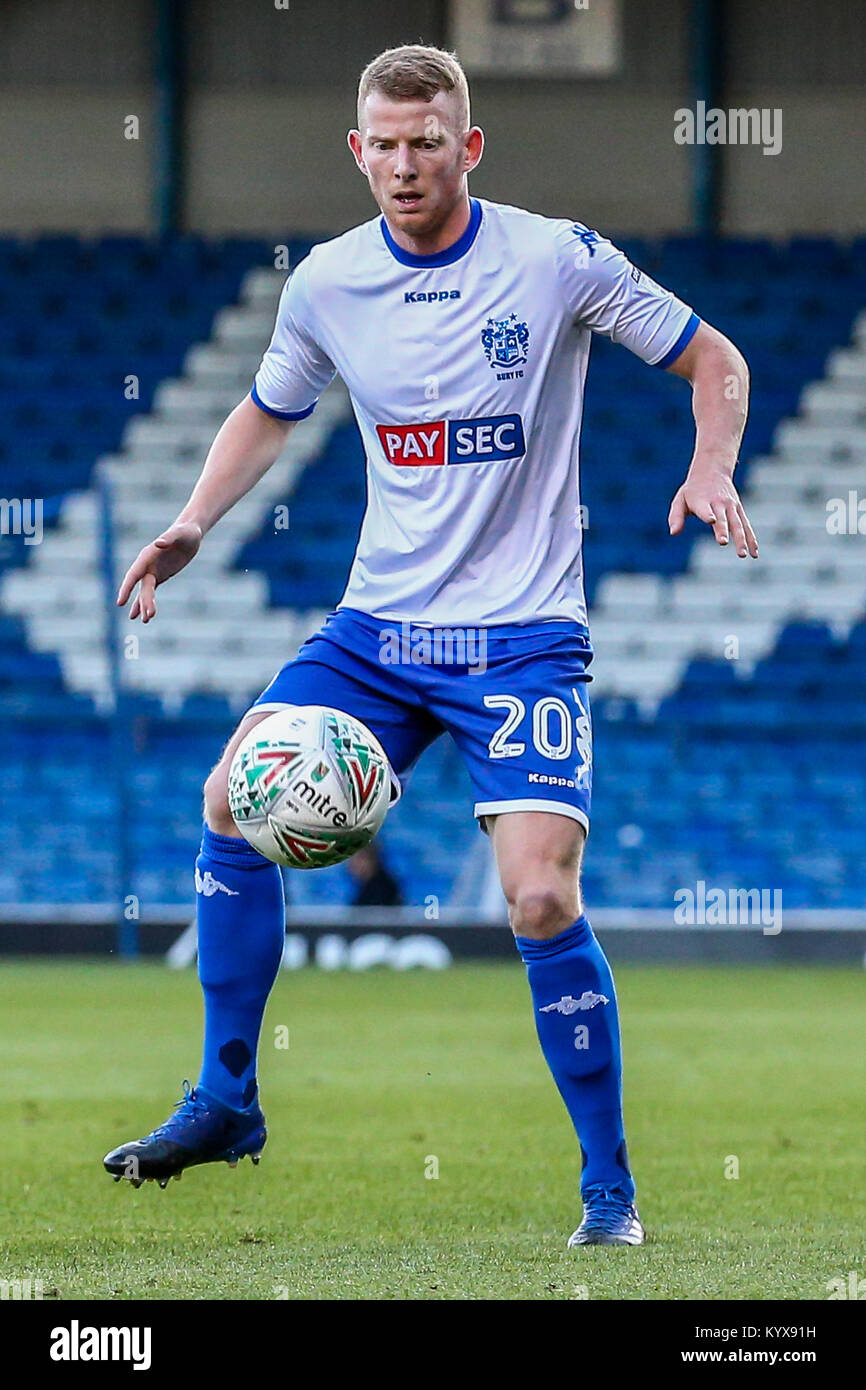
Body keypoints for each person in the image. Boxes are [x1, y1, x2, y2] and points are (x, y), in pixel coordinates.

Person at [106, 45, 756, 1246]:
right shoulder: (326, 286)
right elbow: (267, 407)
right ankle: (225, 1098)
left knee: (538, 896)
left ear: (469, 145)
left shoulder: (552, 259)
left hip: (521, 638)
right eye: (385, 145)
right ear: (356, 151)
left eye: (428, 141)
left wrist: (707, 465)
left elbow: (712, 357)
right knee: (225, 799)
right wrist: (194, 519)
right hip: (377, 634)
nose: (405, 164)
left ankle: (606, 1194)